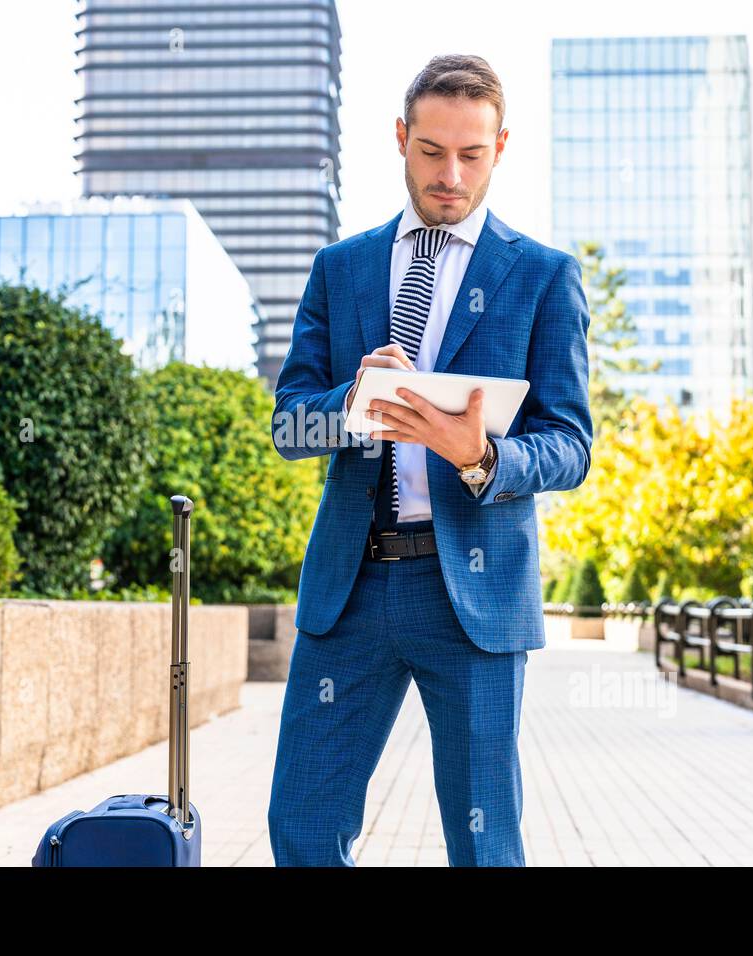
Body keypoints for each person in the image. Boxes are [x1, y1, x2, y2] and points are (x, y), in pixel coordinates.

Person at [266, 53, 593, 866]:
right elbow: (286, 428)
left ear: (500, 147)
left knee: (484, 845)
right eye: (432, 151)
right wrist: (350, 405)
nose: (451, 174)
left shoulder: (546, 278)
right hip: (351, 589)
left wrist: (482, 455)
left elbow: (571, 445)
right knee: (301, 827)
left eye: (471, 154)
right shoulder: (339, 269)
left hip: (473, 597)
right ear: (401, 139)